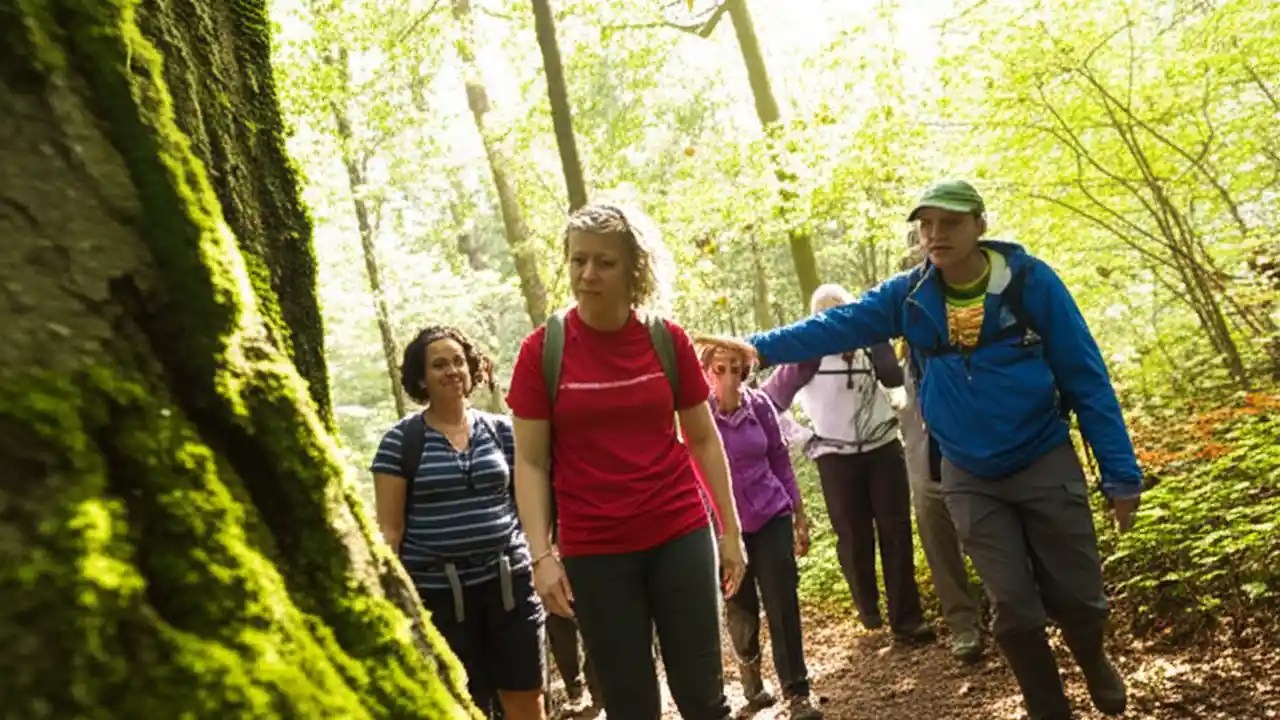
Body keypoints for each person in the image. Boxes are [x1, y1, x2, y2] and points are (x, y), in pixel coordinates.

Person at [746, 180, 1139, 720]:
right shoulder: (910, 296)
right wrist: (755, 348)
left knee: (1077, 596)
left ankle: (1093, 660)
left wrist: (1121, 474)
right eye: (925, 225)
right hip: (969, 473)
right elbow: (835, 325)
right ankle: (1048, 709)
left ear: (980, 225)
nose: (934, 235)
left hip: (1043, 455)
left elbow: (1086, 378)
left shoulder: (1030, 283)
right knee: (1013, 609)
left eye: (949, 223)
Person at [506, 203, 745, 720]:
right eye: (578, 260)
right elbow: (530, 463)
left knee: (704, 698)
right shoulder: (542, 352)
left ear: (633, 268)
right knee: (630, 705)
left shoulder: (666, 340)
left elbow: (704, 440)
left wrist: (730, 532)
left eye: (604, 262)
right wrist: (541, 556)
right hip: (595, 551)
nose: (588, 274)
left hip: (679, 533)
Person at [370, 325, 545, 720]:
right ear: (421, 379)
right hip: (439, 597)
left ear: (471, 369)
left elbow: (528, 503)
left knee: (525, 695)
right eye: (438, 365)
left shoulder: (503, 431)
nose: (452, 371)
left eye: (458, 362)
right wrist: (389, 595)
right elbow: (389, 530)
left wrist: (542, 557)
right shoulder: (400, 442)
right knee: (462, 702)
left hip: (510, 587)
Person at [761, 284, 934, 647]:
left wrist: (877, 339)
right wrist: (804, 438)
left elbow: (894, 379)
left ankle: (907, 620)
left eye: (842, 310)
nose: (835, 319)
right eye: (826, 312)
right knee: (854, 538)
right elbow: (767, 405)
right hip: (835, 458)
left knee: (896, 531)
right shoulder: (807, 354)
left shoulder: (870, 342)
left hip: (883, 449)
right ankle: (869, 611)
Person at [695, 337, 823, 720]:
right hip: (723, 526)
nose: (729, 379)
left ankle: (797, 692)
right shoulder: (697, 415)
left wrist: (798, 514)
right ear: (706, 372)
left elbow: (780, 461)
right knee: (740, 606)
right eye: (720, 370)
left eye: (736, 370)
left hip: (770, 513)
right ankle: (751, 680)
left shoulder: (760, 406)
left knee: (782, 599)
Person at [896, 240, 985, 664]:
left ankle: (1010, 609)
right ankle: (963, 624)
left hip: (972, 455)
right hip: (924, 457)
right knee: (937, 537)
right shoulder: (899, 347)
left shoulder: (969, 328)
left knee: (986, 531)